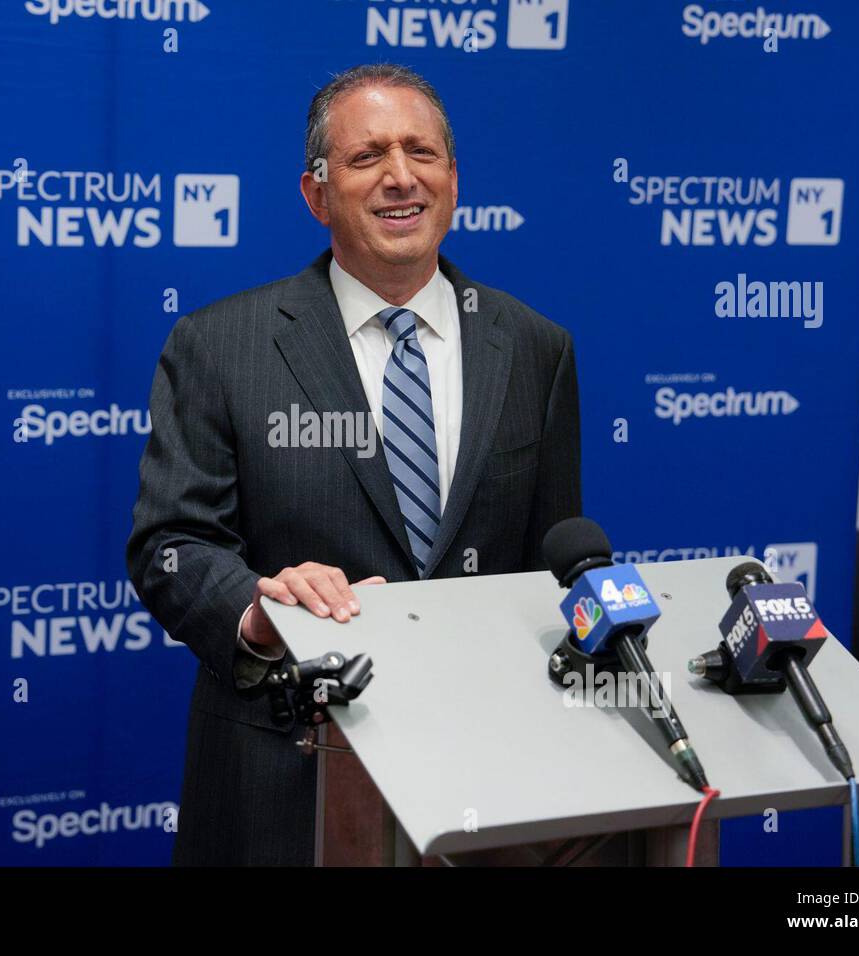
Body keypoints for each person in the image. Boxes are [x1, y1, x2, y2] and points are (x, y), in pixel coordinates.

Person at [126, 63, 581, 866]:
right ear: (316, 194)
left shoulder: (536, 349)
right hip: (286, 779)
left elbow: (553, 567)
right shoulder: (222, 346)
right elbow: (172, 545)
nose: (400, 177)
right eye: (368, 156)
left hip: (485, 786)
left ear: (453, 180)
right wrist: (260, 615)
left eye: (422, 153)